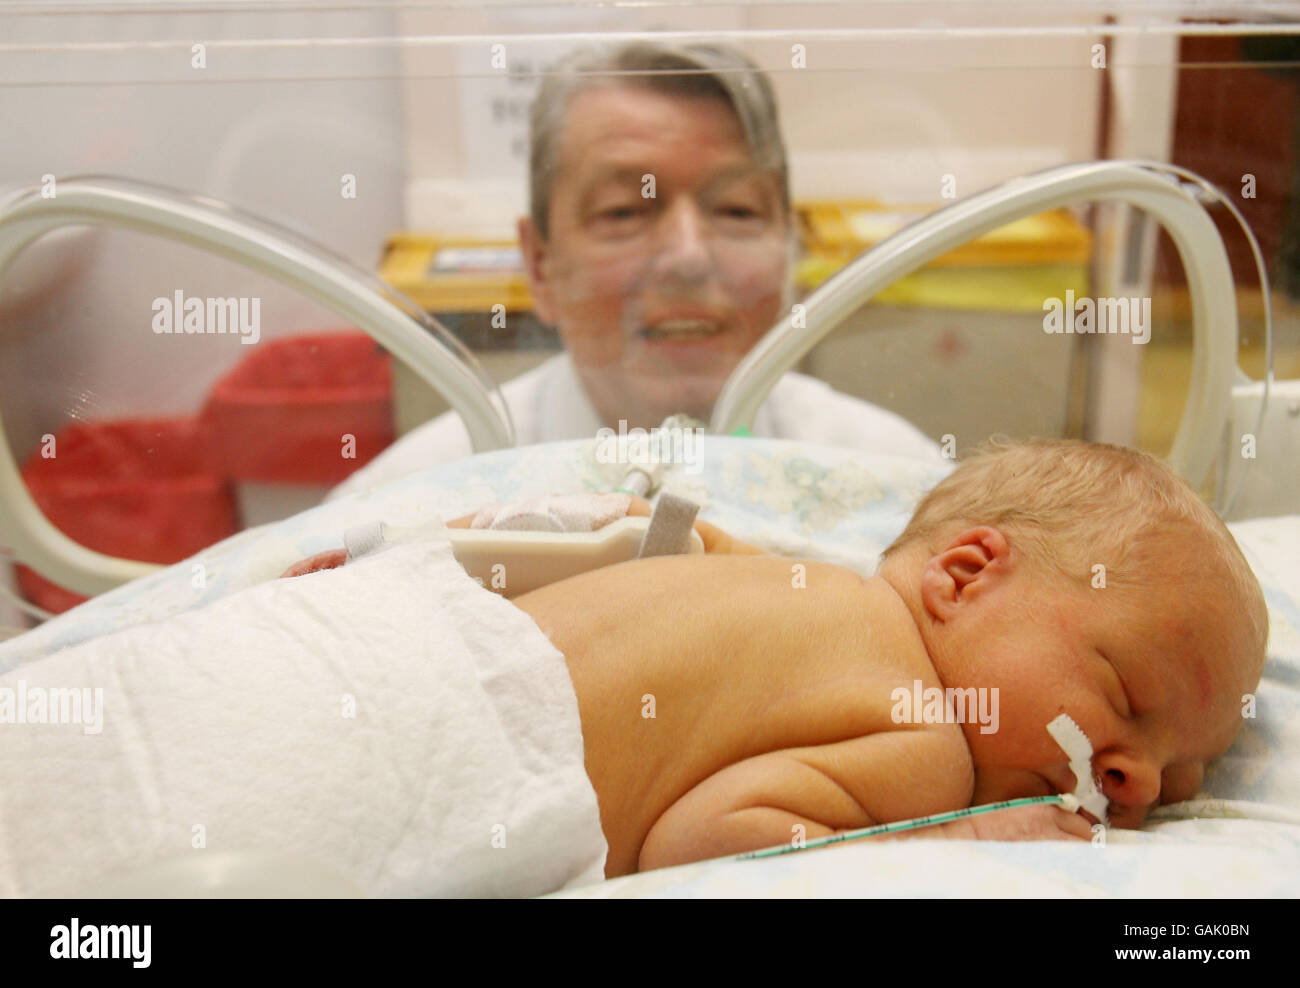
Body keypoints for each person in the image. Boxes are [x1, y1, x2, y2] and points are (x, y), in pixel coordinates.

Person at [295, 438, 1267, 878]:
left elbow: (600, 534)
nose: (1135, 781)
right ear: (964, 575)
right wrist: (952, 845)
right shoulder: (921, 736)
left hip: (344, 662)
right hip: (407, 782)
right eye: (1123, 693)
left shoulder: (756, 567)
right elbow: (700, 850)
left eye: (1181, 775)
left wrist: (403, 559)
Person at [332, 41, 941, 500]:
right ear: (540, 265)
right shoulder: (415, 503)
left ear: (788, 247)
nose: (688, 257)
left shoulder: (897, 485)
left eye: (736, 209)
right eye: (624, 211)